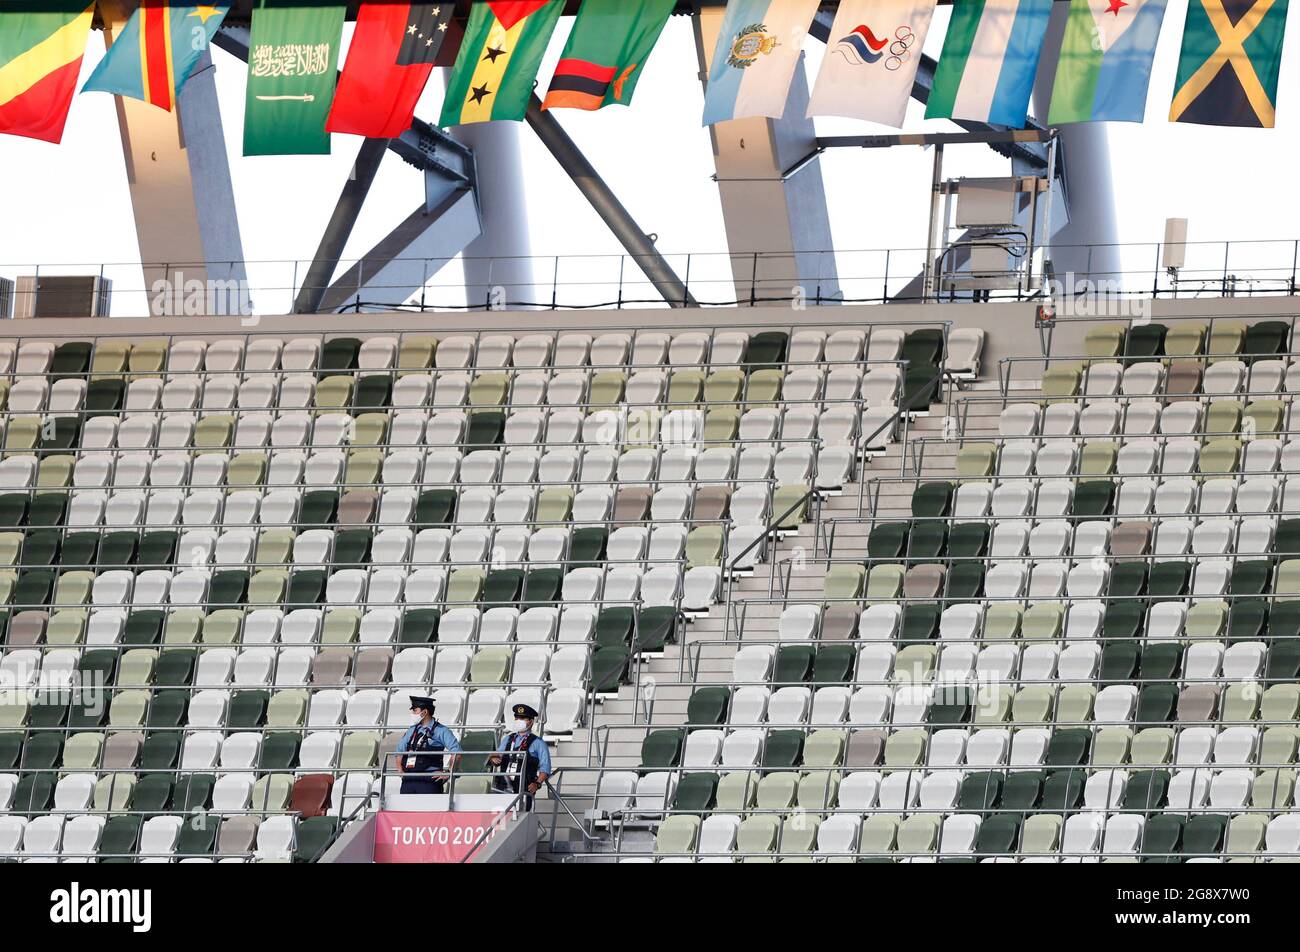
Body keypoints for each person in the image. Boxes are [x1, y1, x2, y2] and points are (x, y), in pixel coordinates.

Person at [488, 703, 552, 808]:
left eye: (522, 718)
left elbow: (545, 768)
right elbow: (496, 755)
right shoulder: (508, 738)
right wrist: (493, 758)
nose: (519, 721)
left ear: (531, 722)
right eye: (517, 718)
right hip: (503, 787)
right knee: (498, 818)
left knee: (520, 818)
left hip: (523, 788)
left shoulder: (538, 743)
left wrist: (537, 783)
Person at [395, 695, 462, 795]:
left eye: (415, 710)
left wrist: (449, 772)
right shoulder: (412, 730)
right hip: (409, 780)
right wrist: (400, 770)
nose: (412, 713)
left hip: (429, 781)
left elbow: (457, 752)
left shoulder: (441, 730)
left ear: (424, 712)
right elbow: (399, 750)